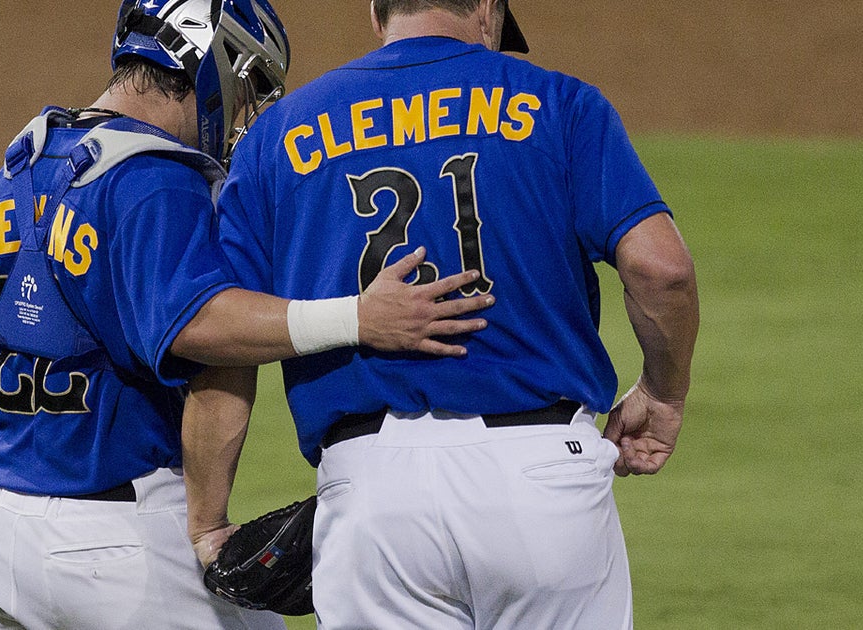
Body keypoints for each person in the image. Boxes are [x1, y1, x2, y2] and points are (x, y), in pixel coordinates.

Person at [0, 1, 492, 628]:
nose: (244, 114)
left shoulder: (14, 174)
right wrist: (357, 318)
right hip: (119, 540)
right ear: (216, 62)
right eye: (250, 86)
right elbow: (201, 325)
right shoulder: (155, 178)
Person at [183, 0, 700, 628]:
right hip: (541, 482)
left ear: (378, 13)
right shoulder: (563, 104)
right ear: (485, 8)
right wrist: (663, 392)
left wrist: (208, 520)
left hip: (371, 498)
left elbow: (222, 335)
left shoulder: (278, 135)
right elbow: (662, 270)